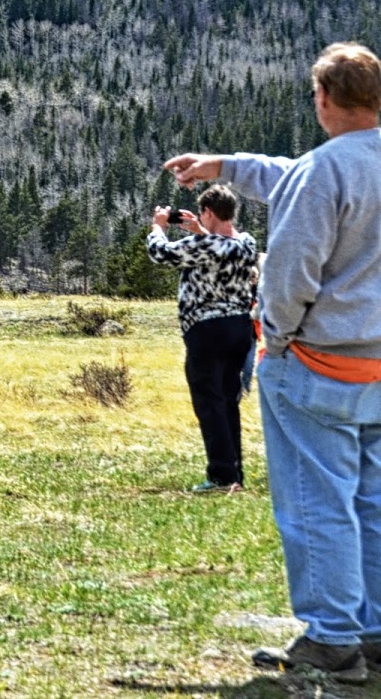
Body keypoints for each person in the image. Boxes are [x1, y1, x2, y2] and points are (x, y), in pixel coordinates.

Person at [164, 42, 381, 683]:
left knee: (316, 502)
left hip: (317, 361)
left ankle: (332, 640)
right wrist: (226, 166)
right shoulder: (347, 164)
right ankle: (370, 629)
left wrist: (278, 339)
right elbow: (295, 175)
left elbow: (289, 273)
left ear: (322, 100)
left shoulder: (323, 172)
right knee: (371, 500)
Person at [145, 186, 258, 493]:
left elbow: (161, 253)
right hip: (239, 327)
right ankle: (235, 474)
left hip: (206, 330)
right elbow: (225, 243)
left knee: (209, 401)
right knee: (228, 400)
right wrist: (198, 228)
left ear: (209, 212)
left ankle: (221, 476)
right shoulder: (246, 243)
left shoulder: (200, 245)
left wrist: (158, 224)